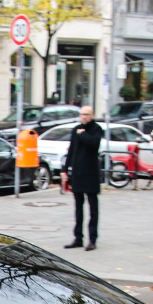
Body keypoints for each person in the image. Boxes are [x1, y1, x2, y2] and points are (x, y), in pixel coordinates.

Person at [61, 106, 104, 251]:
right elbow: (72, 149)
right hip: (78, 173)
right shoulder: (76, 129)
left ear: (92, 115)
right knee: (78, 208)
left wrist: (82, 135)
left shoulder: (96, 129)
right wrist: (65, 169)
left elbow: (94, 143)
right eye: (82, 114)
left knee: (93, 208)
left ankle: (92, 239)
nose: (84, 117)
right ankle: (78, 238)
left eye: (86, 114)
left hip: (91, 173)